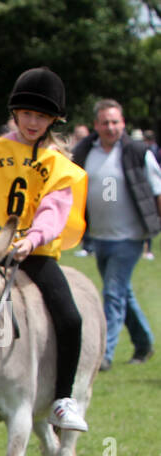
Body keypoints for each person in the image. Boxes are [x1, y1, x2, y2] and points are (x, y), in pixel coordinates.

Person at [0, 67, 90, 432]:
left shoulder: (60, 167)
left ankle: (63, 398)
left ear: (53, 120)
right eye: (27, 113)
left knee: (71, 318)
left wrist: (32, 240)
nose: (33, 121)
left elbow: (54, 211)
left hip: (36, 254)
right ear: (14, 113)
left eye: (41, 116)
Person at [71, 98, 159, 368]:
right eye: (105, 122)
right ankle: (143, 343)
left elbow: (157, 190)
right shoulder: (86, 150)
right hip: (99, 236)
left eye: (115, 121)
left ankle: (104, 354)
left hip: (130, 237)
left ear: (123, 123)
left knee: (112, 293)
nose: (111, 127)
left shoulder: (137, 151)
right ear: (96, 125)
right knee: (123, 293)